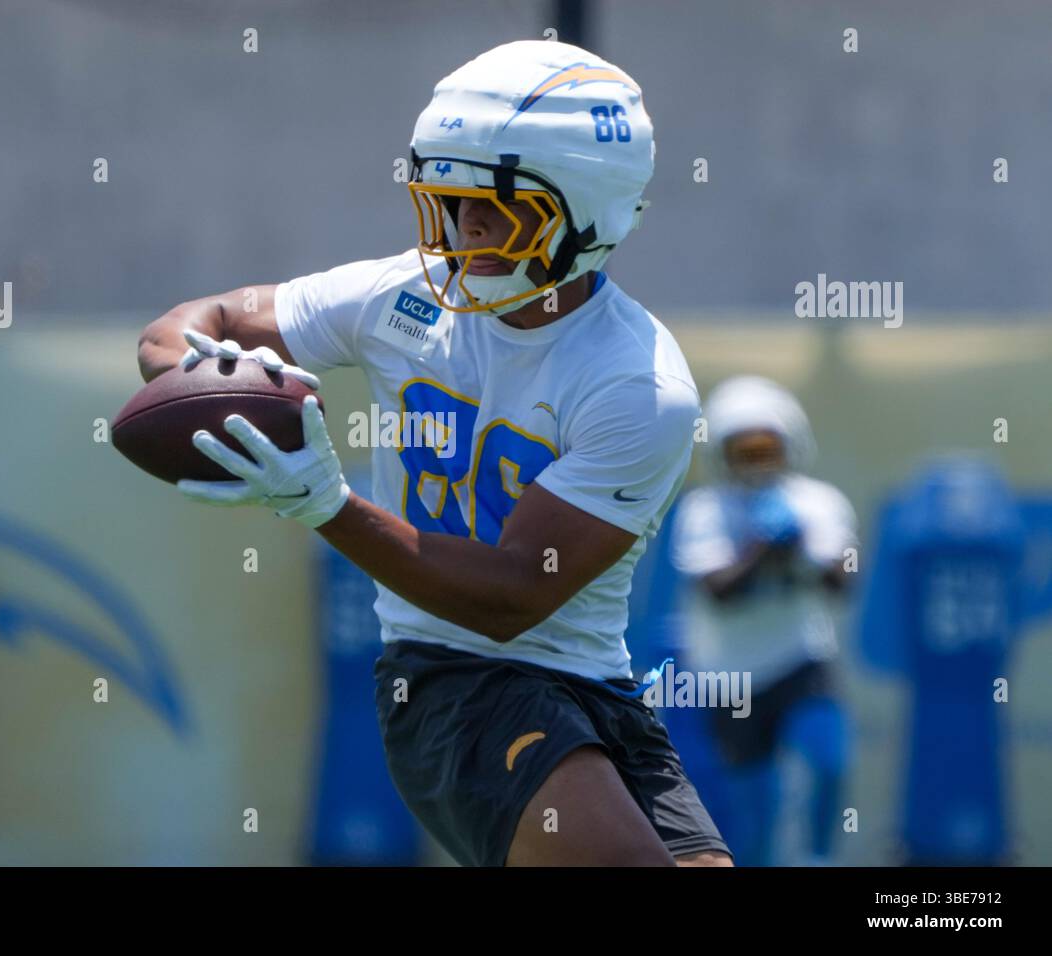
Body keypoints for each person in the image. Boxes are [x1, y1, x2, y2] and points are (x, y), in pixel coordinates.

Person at [139, 42, 730, 866]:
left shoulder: (637, 384)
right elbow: (195, 323)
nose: (466, 227)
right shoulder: (404, 293)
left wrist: (327, 506)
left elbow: (516, 592)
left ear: (589, 210)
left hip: (594, 688)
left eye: (497, 203)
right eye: (452, 199)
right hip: (452, 680)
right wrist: (201, 372)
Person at [670, 375, 856, 865]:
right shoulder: (704, 510)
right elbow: (719, 592)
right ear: (723, 454)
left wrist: (801, 553)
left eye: (765, 449)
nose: (756, 462)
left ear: (789, 445)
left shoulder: (818, 503)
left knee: (829, 760)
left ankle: (819, 858)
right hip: (729, 675)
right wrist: (758, 550)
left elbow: (844, 582)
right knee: (755, 806)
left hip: (800, 657)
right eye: (743, 451)